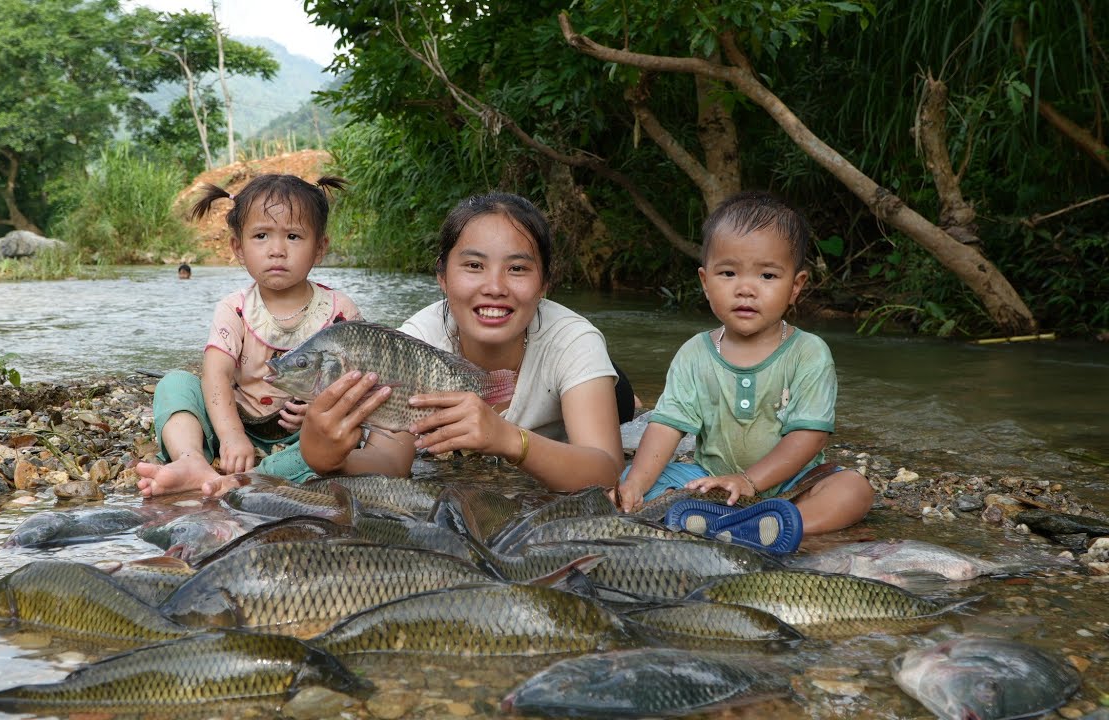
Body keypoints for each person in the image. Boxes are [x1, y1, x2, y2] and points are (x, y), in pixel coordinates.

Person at [297, 192, 626, 492]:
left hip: (578, 389)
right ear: (442, 276)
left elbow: (606, 472)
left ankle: (623, 392)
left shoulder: (573, 341)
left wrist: (508, 439)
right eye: (474, 265)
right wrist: (328, 459)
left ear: (544, 284)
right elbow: (391, 463)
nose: (495, 287)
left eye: (517, 268)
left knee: (618, 399)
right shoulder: (415, 342)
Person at [614, 191, 873, 553]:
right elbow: (666, 427)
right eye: (728, 273)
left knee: (854, 489)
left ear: (795, 286)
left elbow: (809, 437)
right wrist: (636, 485)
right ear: (706, 282)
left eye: (767, 275)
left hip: (792, 484)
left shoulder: (808, 352)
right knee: (634, 478)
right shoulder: (694, 354)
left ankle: (779, 526)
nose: (746, 289)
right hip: (712, 481)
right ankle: (730, 521)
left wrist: (750, 480)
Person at [136, 174, 362, 497]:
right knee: (175, 384)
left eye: (293, 236)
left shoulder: (340, 311)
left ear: (319, 248)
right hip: (237, 420)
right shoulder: (236, 309)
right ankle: (190, 459)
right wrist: (231, 435)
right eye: (261, 236)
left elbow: (358, 382)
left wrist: (320, 411)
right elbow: (216, 375)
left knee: (345, 438)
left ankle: (256, 477)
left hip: (304, 437)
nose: (277, 250)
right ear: (238, 249)